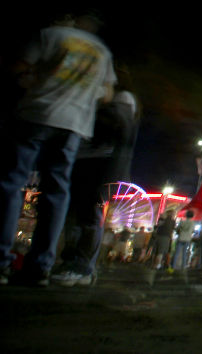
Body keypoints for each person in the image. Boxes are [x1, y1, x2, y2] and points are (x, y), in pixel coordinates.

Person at [0, 12, 116, 286]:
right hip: (74, 124)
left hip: (36, 114)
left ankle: (2, 261)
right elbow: (107, 93)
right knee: (57, 191)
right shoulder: (101, 52)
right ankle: (40, 266)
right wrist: (83, 97)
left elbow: (18, 68)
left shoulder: (49, 36)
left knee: (12, 183)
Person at [52, 74, 138, 286]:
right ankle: (72, 263)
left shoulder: (122, 100)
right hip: (82, 161)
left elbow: (122, 127)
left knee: (90, 216)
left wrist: (98, 107)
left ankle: (82, 267)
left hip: (102, 165)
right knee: (74, 216)